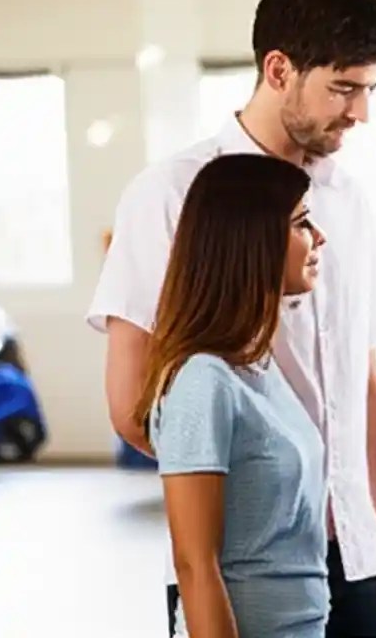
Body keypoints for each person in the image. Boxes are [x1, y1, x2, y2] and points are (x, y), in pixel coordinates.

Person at [86, 0, 376, 637]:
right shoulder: (172, 196)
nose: (361, 113)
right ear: (278, 70)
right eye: (345, 89)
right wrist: (260, 511)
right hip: (247, 567)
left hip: (354, 551)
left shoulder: (347, 201)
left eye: (371, 89)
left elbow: (365, 384)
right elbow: (133, 407)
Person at [142, 153, 329, 637]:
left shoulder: (260, 367)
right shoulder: (203, 381)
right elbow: (193, 563)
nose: (319, 238)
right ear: (252, 239)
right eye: (302, 223)